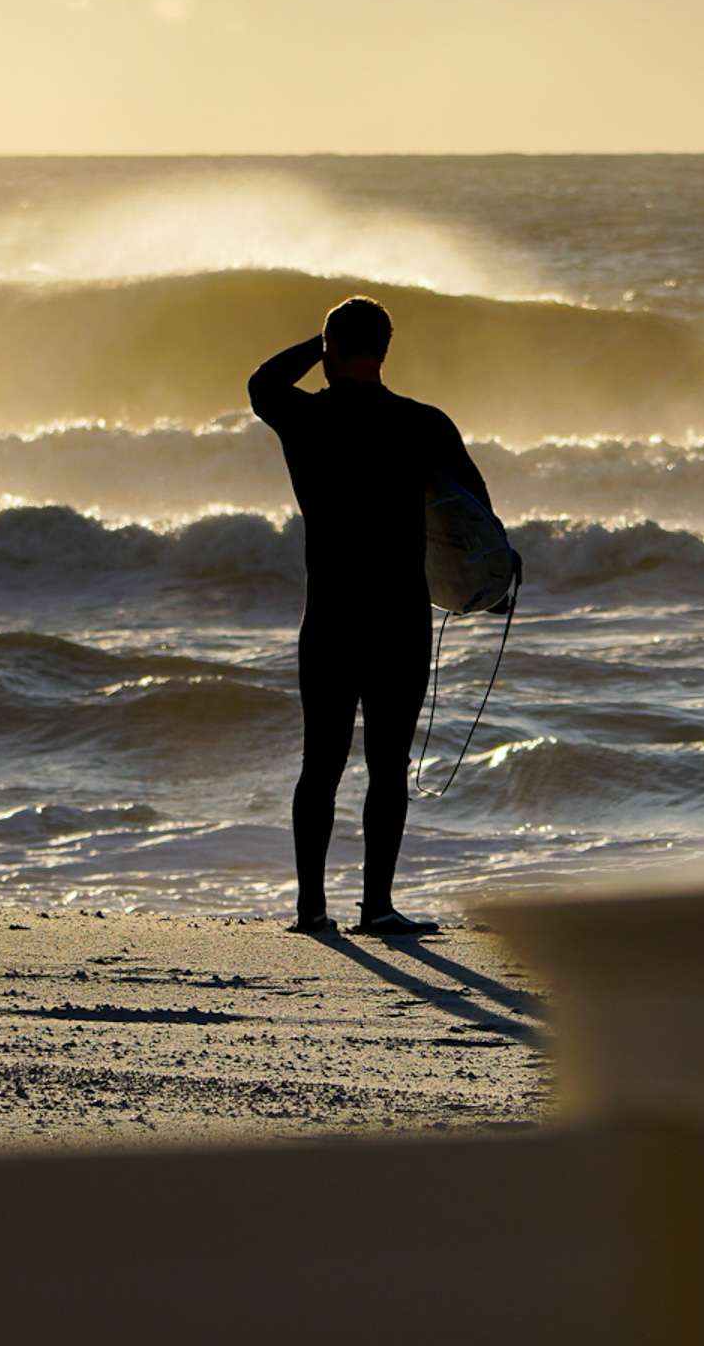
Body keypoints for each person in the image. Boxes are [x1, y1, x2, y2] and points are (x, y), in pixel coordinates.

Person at [250, 297, 493, 938]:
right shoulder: (423, 424)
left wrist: (320, 343)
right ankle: (379, 907)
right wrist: (492, 584)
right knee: (388, 766)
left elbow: (261, 384)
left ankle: (311, 911)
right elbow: (477, 517)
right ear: (386, 351)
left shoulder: (305, 417)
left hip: (331, 615)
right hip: (397, 616)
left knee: (320, 765)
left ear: (331, 350)